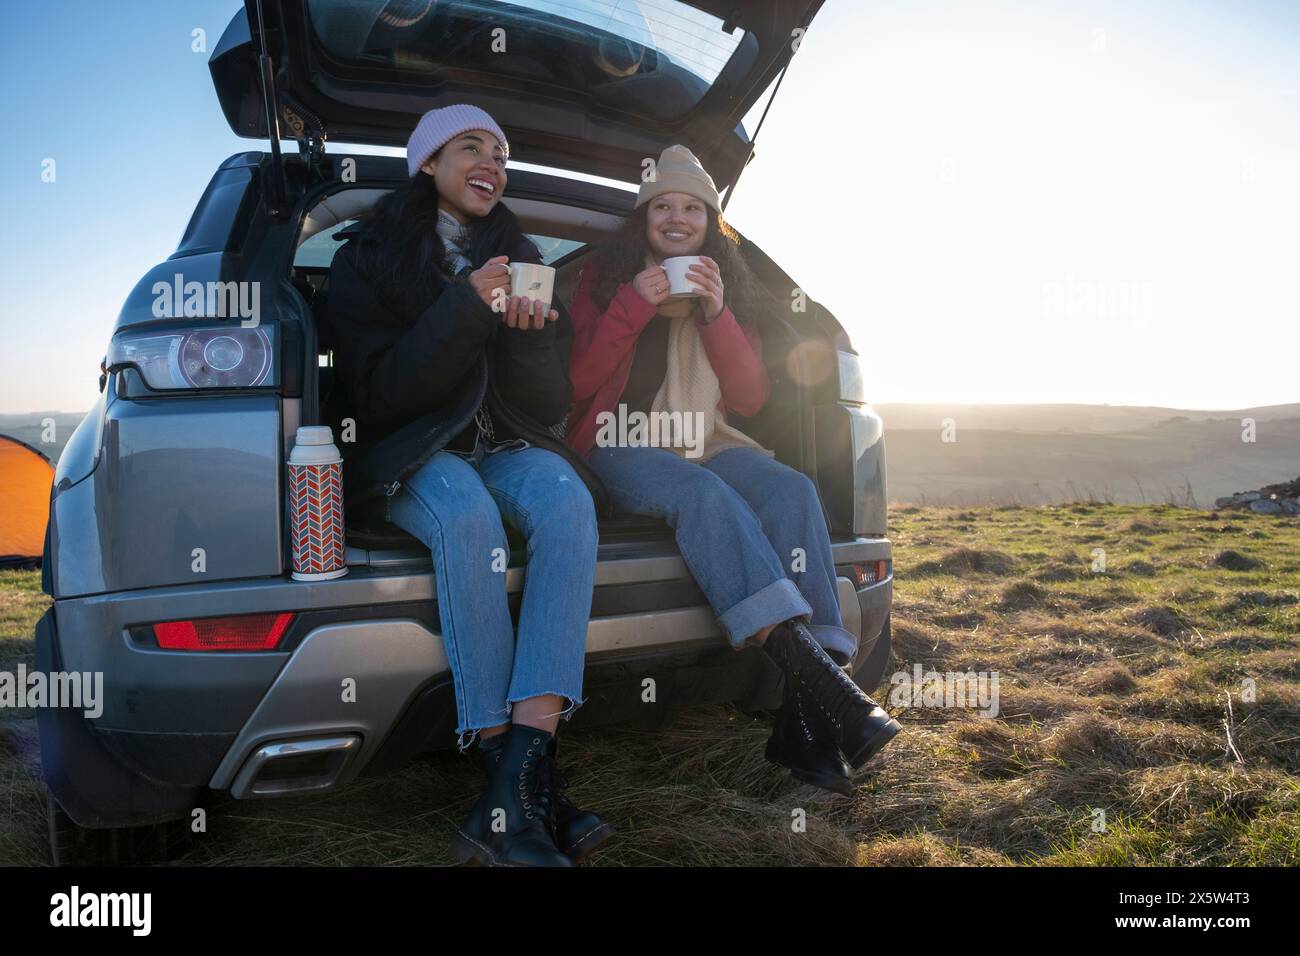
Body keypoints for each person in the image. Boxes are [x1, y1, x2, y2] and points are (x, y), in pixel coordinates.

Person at [321, 105, 611, 865]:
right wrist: (464, 305)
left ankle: (515, 792)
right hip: (412, 452)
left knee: (567, 502)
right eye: (472, 146)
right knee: (472, 522)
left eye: (502, 153)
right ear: (427, 162)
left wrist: (533, 333)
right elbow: (380, 397)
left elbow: (548, 407)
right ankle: (524, 788)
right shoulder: (369, 259)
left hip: (504, 443)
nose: (493, 161)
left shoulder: (522, 257)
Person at [565, 145, 901, 796]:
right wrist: (633, 304)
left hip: (707, 438)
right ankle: (831, 696)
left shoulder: (726, 289)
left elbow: (748, 401)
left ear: (709, 224)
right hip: (619, 441)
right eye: (663, 205)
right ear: (644, 218)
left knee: (791, 489)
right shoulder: (602, 283)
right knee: (702, 491)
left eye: (693, 207)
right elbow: (579, 383)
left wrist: (717, 315)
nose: (677, 216)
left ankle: (807, 717)